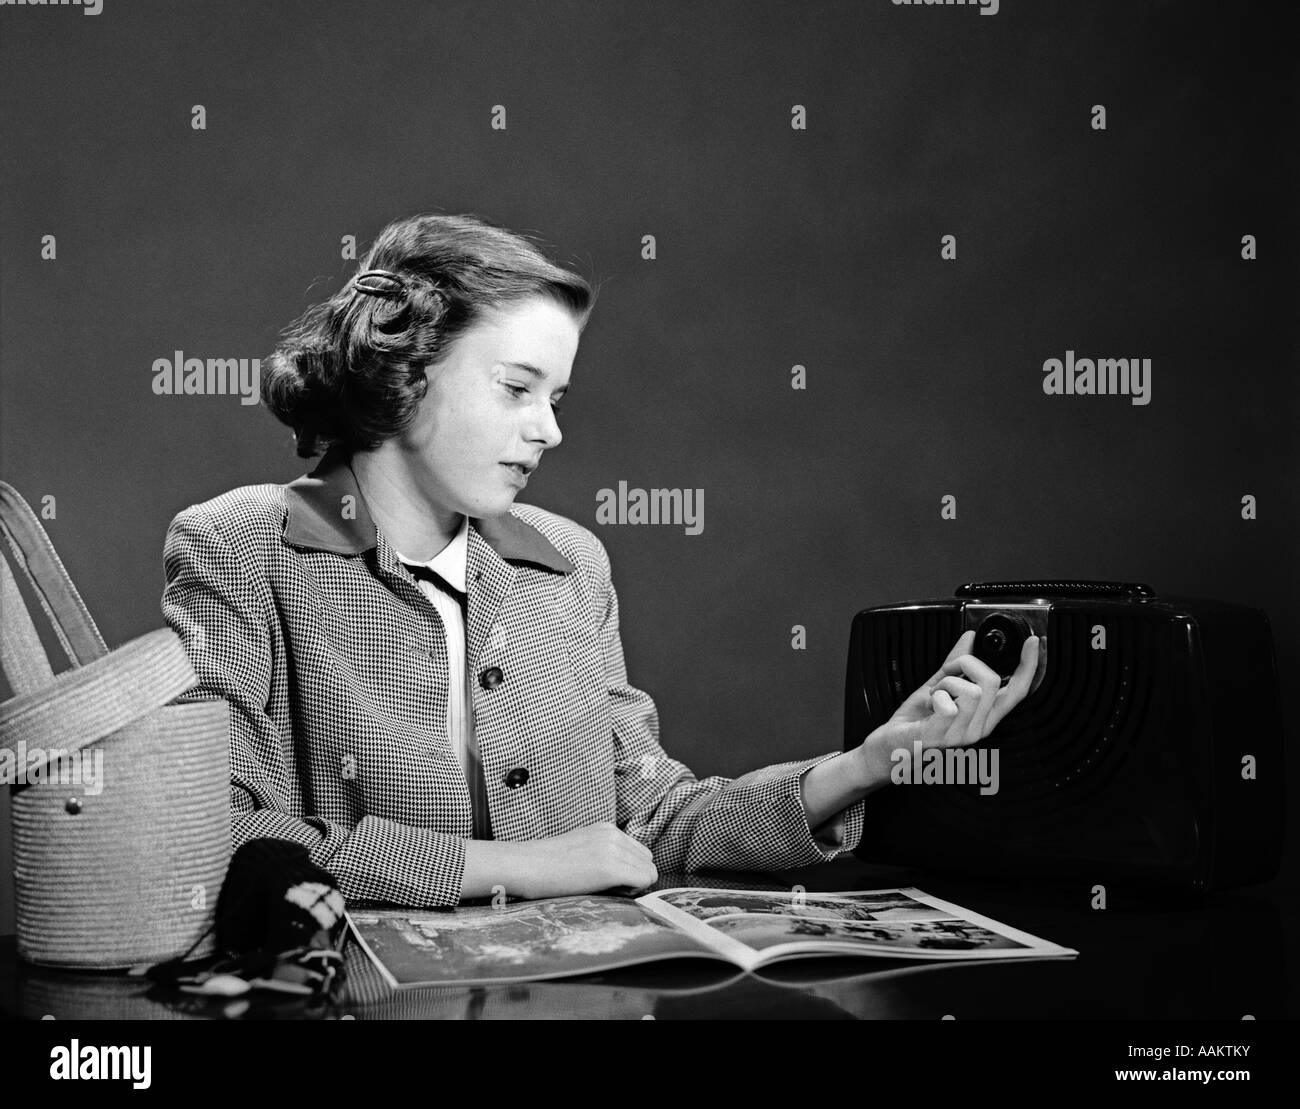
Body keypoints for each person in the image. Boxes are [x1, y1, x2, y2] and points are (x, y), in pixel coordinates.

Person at [161, 212, 1040, 910]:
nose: (549, 430)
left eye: (557, 396)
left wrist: (869, 762)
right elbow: (222, 833)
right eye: (516, 387)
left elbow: (654, 820)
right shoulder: (239, 547)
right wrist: (516, 865)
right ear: (405, 371)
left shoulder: (570, 564)